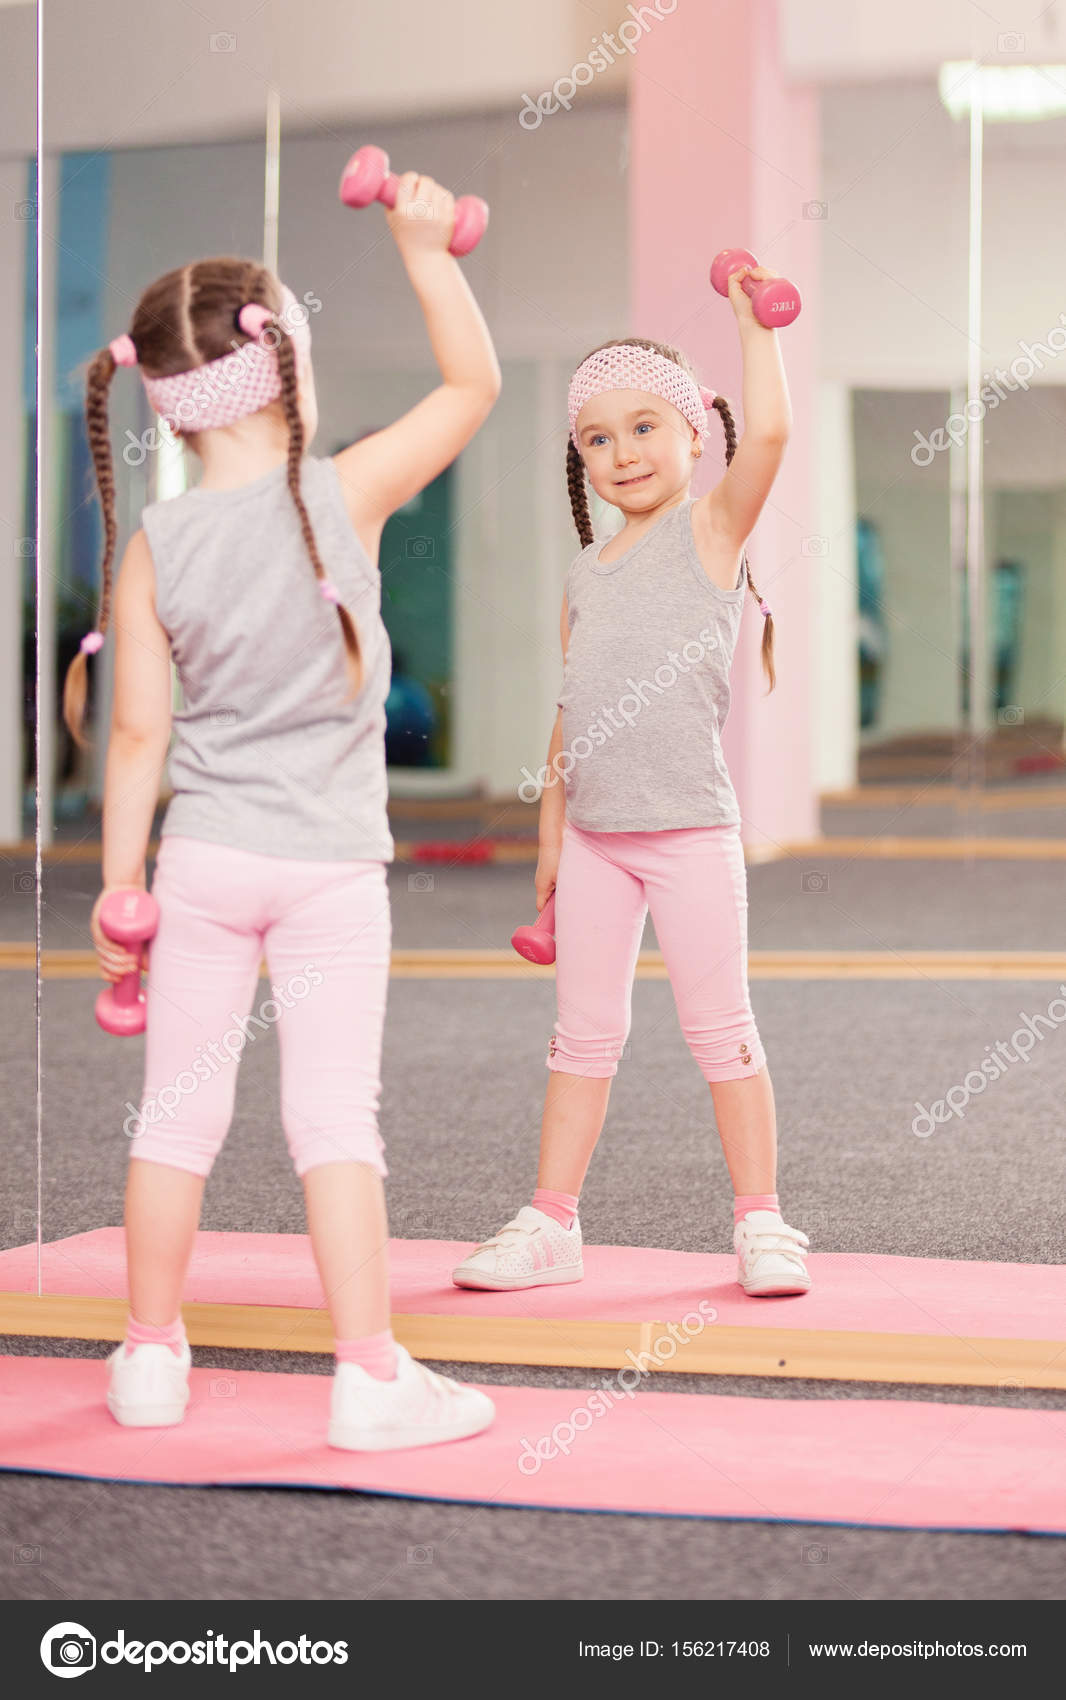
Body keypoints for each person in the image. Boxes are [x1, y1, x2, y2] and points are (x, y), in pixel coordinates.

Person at [68, 173, 502, 1449]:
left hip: (200, 859)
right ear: (282, 360)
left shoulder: (159, 539)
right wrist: (425, 250)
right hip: (326, 870)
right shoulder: (344, 490)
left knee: (175, 1117)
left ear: (159, 396)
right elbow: (470, 387)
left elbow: (136, 733)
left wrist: (117, 889)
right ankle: (368, 1376)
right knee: (333, 1120)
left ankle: (148, 1356)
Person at [453, 266, 811, 1300]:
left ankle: (761, 1221)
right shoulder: (583, 574)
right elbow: (570, 714)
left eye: (645, 426)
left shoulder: (711, 534)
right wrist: (548, 838)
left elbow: (775, 438)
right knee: (581, 1037)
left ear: (698, 432)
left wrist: (751, 327)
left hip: (691, 831)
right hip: (598, 843)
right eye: (599, 438)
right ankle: (550, 1220)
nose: (623, 453)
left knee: (720, 1031)